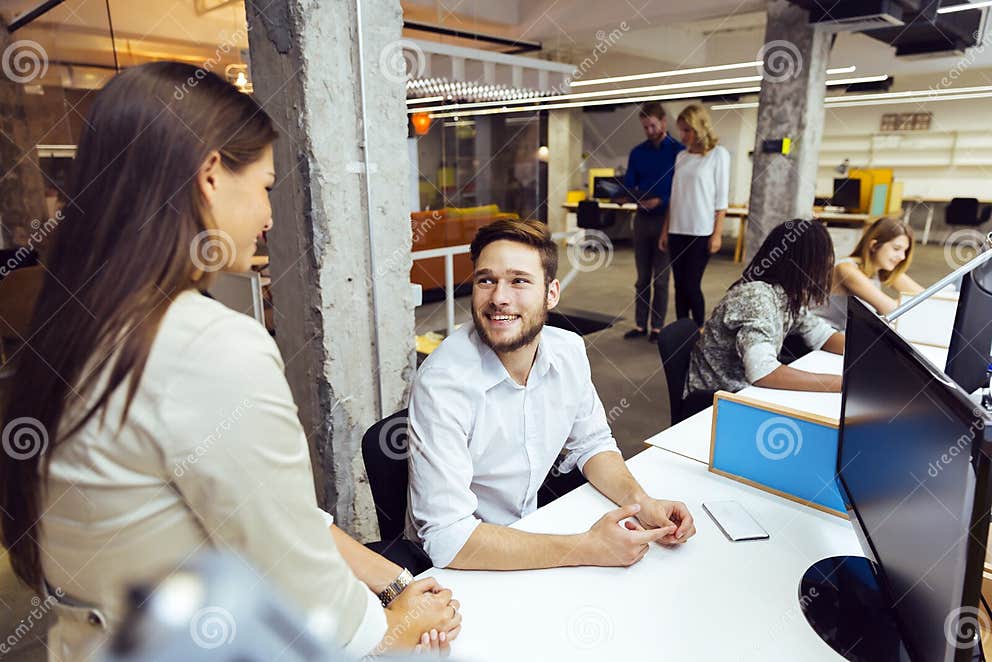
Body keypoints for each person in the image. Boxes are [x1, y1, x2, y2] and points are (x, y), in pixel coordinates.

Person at [0, 62, 459, 660]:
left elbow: (259, 506)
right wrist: (397, 623)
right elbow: (316, 607)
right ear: (211, 175)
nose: (271, 217)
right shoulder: (210, 347)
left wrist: (389, 578)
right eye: (266, 186)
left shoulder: (70, 321)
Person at [406, 219, 696, 571]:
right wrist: (588, 548)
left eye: (519, 281)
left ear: (551, 293)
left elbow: (591, 444)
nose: (499, 297)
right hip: (465, 563)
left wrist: (643, 503)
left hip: (532, 528)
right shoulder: (444, 383)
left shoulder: (568, 351)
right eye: (486, 280)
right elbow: (448, 538)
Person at [685, 219, 845, 398]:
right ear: (804, 264)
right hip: (716, 401)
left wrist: (865, 355)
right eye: (825, 259)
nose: (829, 264)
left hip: (745, 391)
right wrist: (841, 383)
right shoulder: (756, 298)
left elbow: (822, 334)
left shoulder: (786, 294)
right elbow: (762, 371)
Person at [617, 102, 684, 343]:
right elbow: (630, 182)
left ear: (663, 122)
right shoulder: (637, 152)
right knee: (642, 277)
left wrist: (661, 201)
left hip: (667, 219)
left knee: (662, 278)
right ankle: (640, 324)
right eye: (645, 127)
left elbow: (680, 189)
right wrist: (625, 195)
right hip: (642, 218)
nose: (649, 131)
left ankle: (657, 327)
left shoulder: (679, 151)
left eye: (653, 126)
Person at [661, 104, 730, 326]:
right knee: (679, 286)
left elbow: (721, 200)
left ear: (700, 128)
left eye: (687, 130)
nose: (682, 135)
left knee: (691, 284)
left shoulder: (718, 155)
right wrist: (665, 231)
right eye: (681, 130)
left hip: (700, 231)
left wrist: (717, 234)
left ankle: (700, 329)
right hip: (676, 231)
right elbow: (674, 197)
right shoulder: (681, 156)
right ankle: (683, 329)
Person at [813, 216, 923, 330]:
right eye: (896, 248)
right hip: (818, 339)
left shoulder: (881, 269)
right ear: (874, 245)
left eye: (905, 251)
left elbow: (926, 297)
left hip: (844, 336)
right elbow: (892, 310)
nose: (902, 257)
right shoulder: (846, 269)